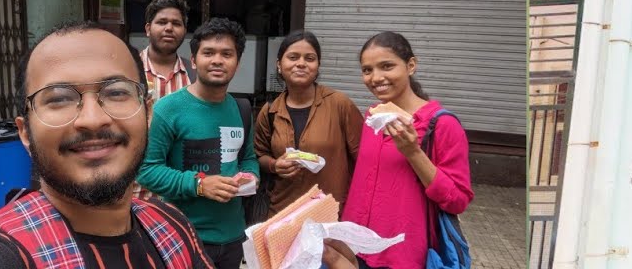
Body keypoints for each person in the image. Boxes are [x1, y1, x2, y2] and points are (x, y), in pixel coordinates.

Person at [0, 21, 216, 269]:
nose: (92, 119)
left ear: (146, 113)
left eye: (116, 92)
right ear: (24, 132)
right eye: (59, 99)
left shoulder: (173, 225)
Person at [326, 32, 474, 269]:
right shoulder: (373, 116)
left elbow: (457, 201)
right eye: (367, 70)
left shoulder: (443, 124)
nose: (376, 78)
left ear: (411, 65)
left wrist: (413, 152)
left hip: (403, 257)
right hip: (355, 250)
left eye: (387, 66)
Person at [137, 18, 261, 269]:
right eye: (208, 53)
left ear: (237, 63)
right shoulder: (168, 109)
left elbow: (247, 158)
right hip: (182, 235)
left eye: (227, 54)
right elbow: (147, 169)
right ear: (193, 61)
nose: (217, 60)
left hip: (232, 237)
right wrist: (200, 185)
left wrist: (251, 178)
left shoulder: (242, 109)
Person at [254, 31, 363, 214]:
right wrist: (274, 165)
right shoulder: (270, 110)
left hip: (329, 214)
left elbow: (363, 159)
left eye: (310, 58)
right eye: (293, 57)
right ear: (279, 65)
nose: (301, 64)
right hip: (282, 214)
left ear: (318, 66)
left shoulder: (339, 104)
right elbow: (259, 155)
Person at [135, 0, 192, 202]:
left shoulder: (194, 75)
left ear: (184, 31)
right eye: (162, 22)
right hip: (134, 188)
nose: (169, 28)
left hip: (181, 188)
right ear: (148, 28)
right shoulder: (128, 70)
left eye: (176, 23)